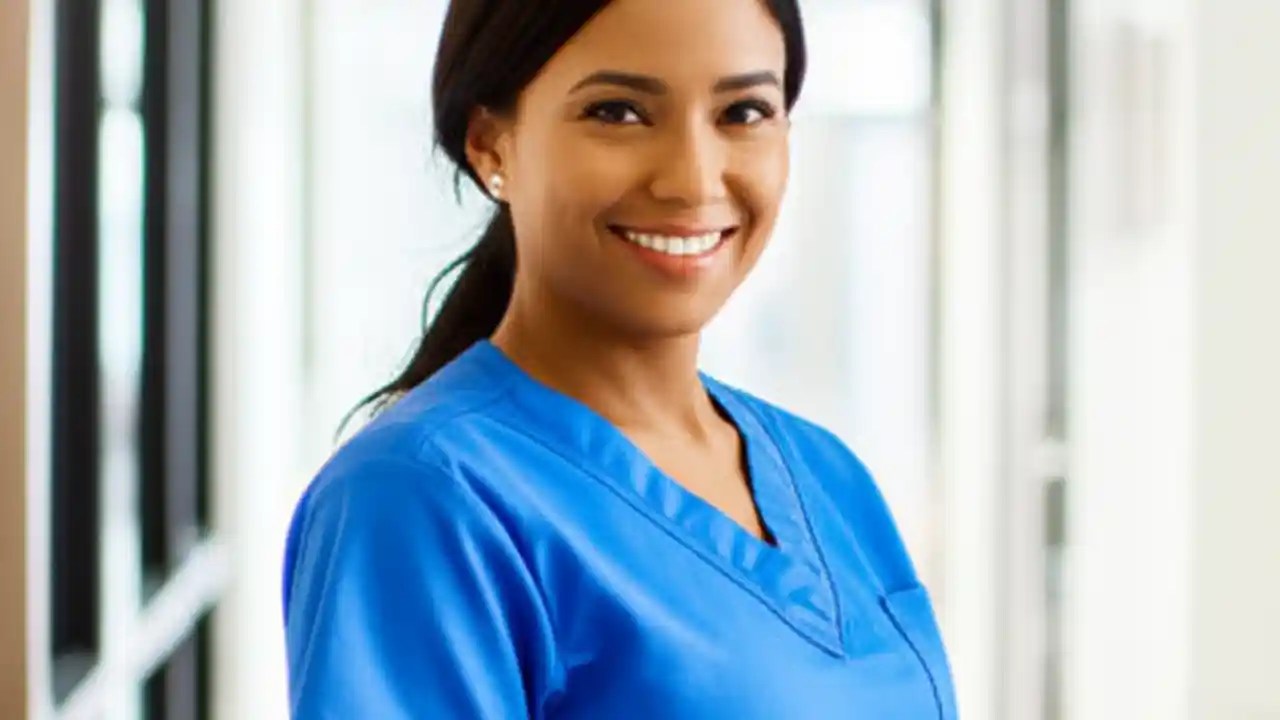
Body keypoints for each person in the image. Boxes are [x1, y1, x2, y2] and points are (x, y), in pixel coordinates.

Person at [282, 0, 957, 717]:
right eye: (618, 112)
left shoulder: (828, 476)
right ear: (491, 145)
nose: (693, 181)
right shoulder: (421, 496)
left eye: (744, 112)